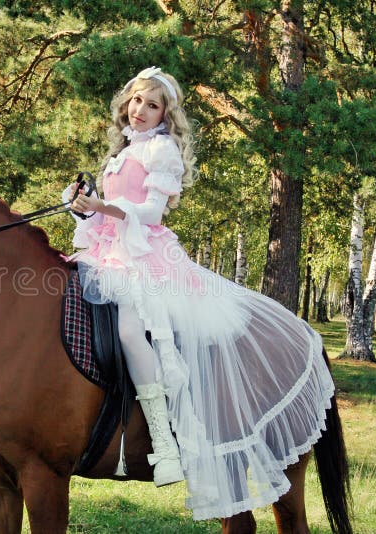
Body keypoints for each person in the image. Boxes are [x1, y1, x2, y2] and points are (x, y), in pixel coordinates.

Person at [64, 67, 335, 521]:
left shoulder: (162, 150)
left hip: (148, 260)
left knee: (131, 331)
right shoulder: (122, 150)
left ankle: (164, 444)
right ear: (126, 104)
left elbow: (149, 213)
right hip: (108, 257)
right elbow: (104, 221)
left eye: (153, 105)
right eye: (137, 101)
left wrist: (103, 206)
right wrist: (82, 207)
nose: (142, 110)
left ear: (166, 113)